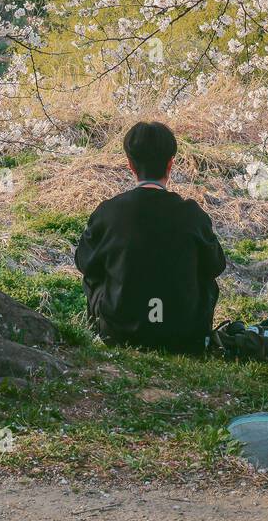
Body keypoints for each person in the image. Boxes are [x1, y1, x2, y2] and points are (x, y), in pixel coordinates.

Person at [74, 120, 225, 353]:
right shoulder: (192, 214)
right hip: (184, 333)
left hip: (120, 330)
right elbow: (215, 266)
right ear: (170, 164)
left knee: (94, 275)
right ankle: (193, 336)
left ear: (130, 165)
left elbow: (84, 262)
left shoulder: (108, 212)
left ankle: (104, 330)